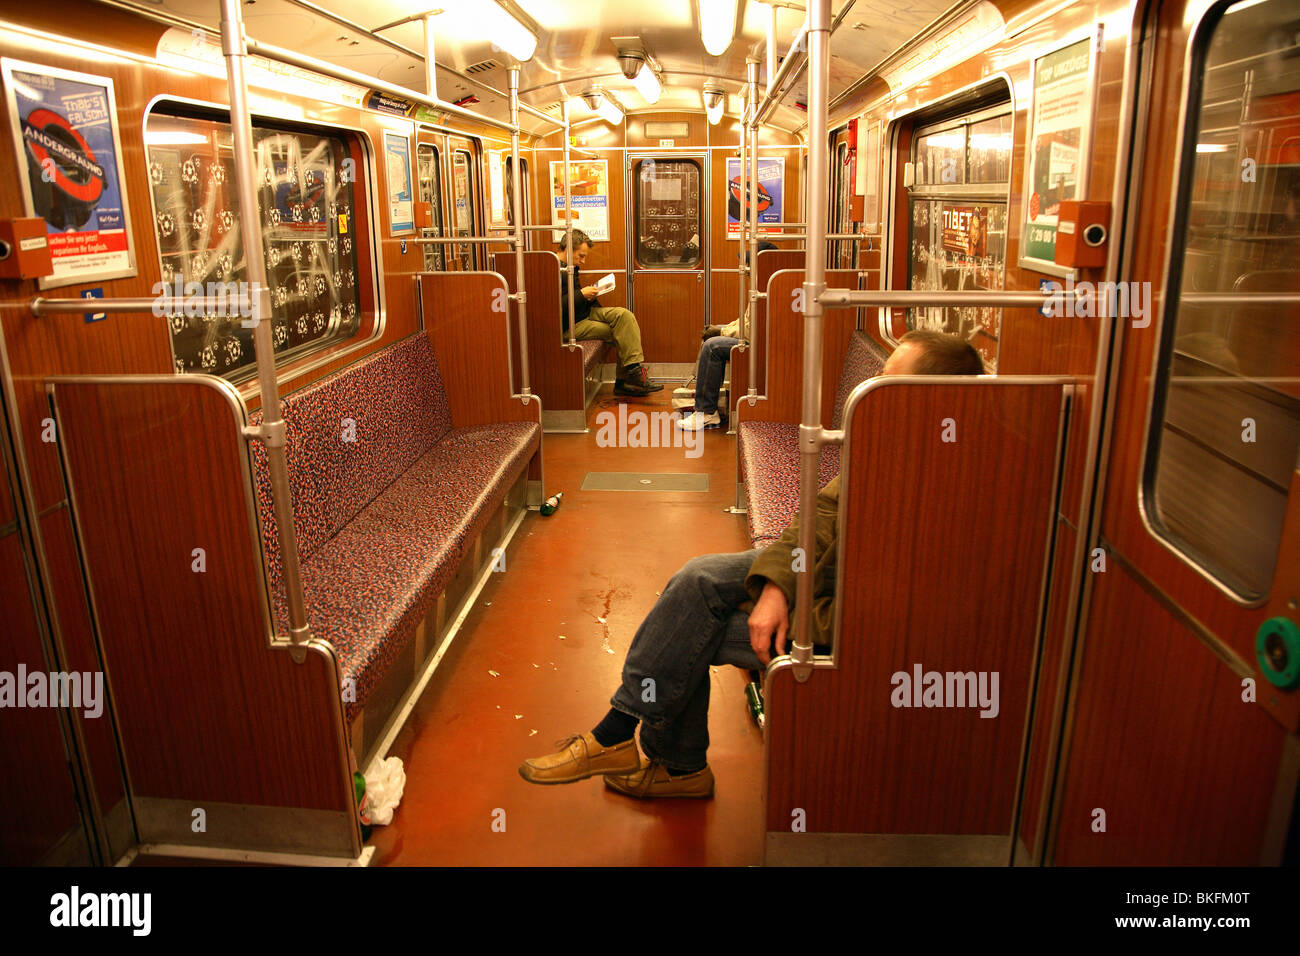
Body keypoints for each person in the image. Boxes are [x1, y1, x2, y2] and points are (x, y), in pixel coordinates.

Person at [520, 330, 984, 797]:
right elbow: (820, 517)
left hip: (852, 621)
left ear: (930, 400)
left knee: (691, 628)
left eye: (887, 383)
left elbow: (883, 609)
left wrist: (789, 604)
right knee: (696, 582)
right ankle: (638, 747)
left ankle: (653, 755)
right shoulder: (891, 442)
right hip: (819, 579)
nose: (872, 392)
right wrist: (777, 587)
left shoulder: (946, 486)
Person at [677, 241, 778, 431]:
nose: (747, 270)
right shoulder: (763, 283)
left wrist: (722, 332)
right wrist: (723, 328)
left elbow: (751, 330)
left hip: (761, 344)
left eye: (750, 265)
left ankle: (706, 412)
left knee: (713, 346)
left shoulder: (767, 289)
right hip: (756, 338)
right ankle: (704, 395)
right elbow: (746, 321)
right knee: (713, 337)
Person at [559, 229, 662, 397]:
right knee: (621, 333)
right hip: (569, 324)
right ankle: (626, 380)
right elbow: (553, 307)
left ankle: (633, 373)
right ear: (568, 249)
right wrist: (581, 295)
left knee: (624, 315)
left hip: (585, 311)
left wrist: (592, 295)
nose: (583, 261)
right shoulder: (551, 269)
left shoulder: (570, 267)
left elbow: (574, 298)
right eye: (581, 256)